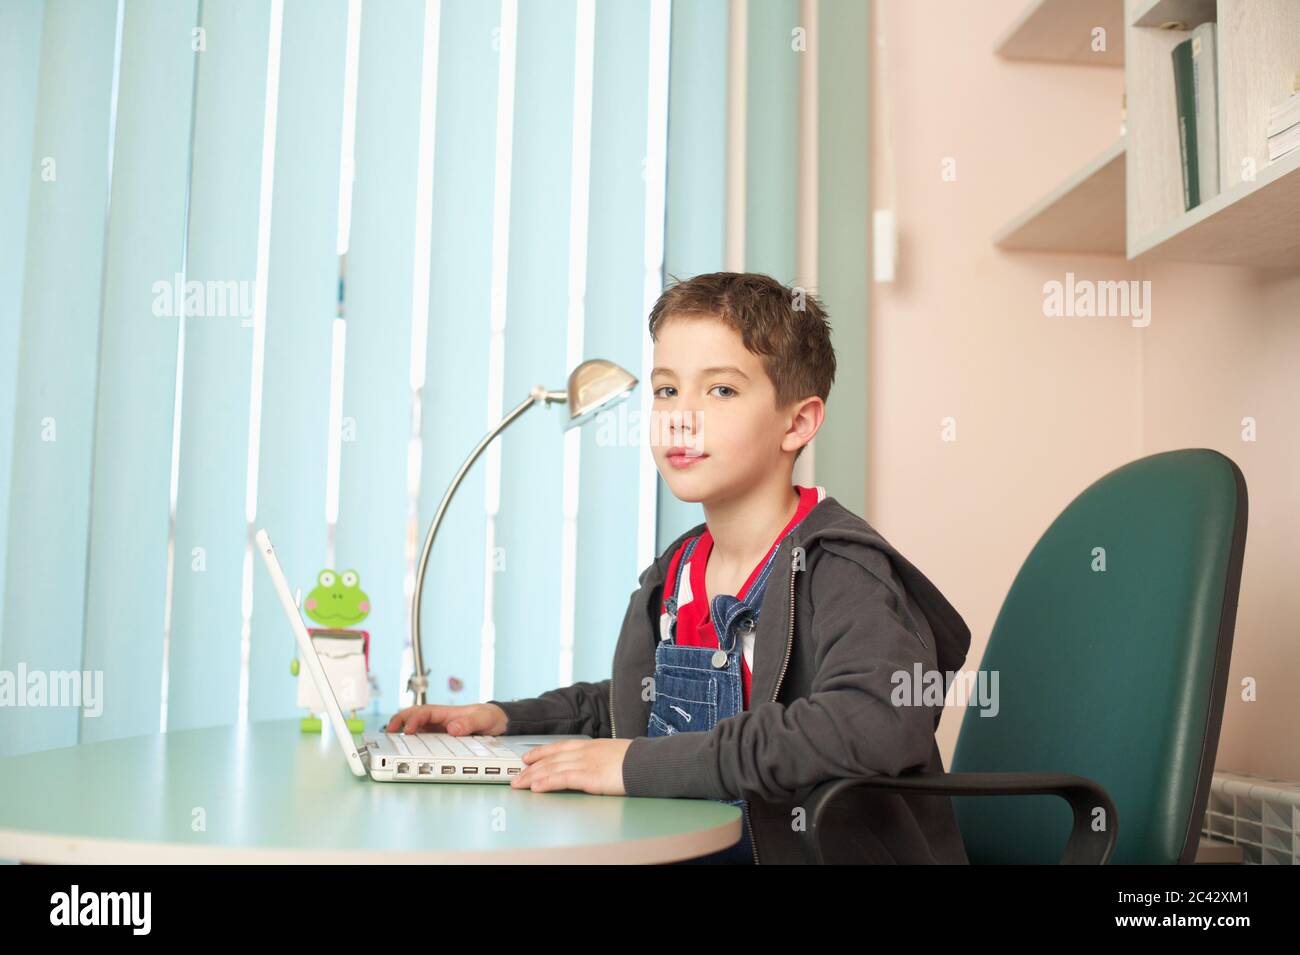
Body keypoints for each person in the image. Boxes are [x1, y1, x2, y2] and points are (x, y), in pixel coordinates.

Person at [387, 271, 972, 864]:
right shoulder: (679, 570)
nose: (680, 418)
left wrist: (639, 764)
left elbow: (872, 722)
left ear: (797, 423)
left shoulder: (842, 570)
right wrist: (500, 719)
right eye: (666, 391)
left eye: (720, 391)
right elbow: (638, 702)